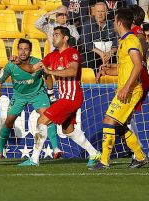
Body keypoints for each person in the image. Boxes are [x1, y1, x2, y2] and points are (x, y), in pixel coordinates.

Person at [21, 27, 100, 166]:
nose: (54, 37)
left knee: (42, 120)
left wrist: (50, 71)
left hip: (71, 97)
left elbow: (73, 71)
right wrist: (19, 64)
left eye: (57, 35)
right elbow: (33, 68)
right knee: (67, 130)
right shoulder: (52, 55)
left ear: (65, 38)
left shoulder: (72, 53)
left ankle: (34, 159)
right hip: (64, 97)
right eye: (53, 34)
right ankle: (94, 154)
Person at [91, 9, 148, 170]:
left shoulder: (131, 41)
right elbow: (126, 68)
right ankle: (140, 157)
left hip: (131, 90)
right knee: (120, 126)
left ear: (119, 22)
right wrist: (107, 70)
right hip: (126, 89)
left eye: (114, 21)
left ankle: (104, 161)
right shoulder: (124, 41)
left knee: (108, 121)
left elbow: (138, 66)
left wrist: (126, 88)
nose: (113, 24)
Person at [0, 39, 61, 161]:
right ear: (17, 50)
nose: (23, 52)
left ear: (30, 51)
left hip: (37, 94)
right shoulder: (10, 65)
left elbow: (48, 77)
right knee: (9, 121)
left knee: (47, 117)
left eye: (26, 49)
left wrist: (51, 93)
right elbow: (0, 81)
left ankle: (56, 149)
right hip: (19, 96)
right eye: (20, 49)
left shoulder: (38, 63)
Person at [78, 1, 116, 70]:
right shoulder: (87, 25)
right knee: (90, 60)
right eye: (98, 11)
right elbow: (86, 43)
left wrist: (110, 53)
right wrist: (101, 53)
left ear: (106, 12)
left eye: (102, 11)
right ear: (94, 12)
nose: (100, 14)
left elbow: (116, 42)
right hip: (94, 53)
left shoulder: (112, 24)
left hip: (110, 53)